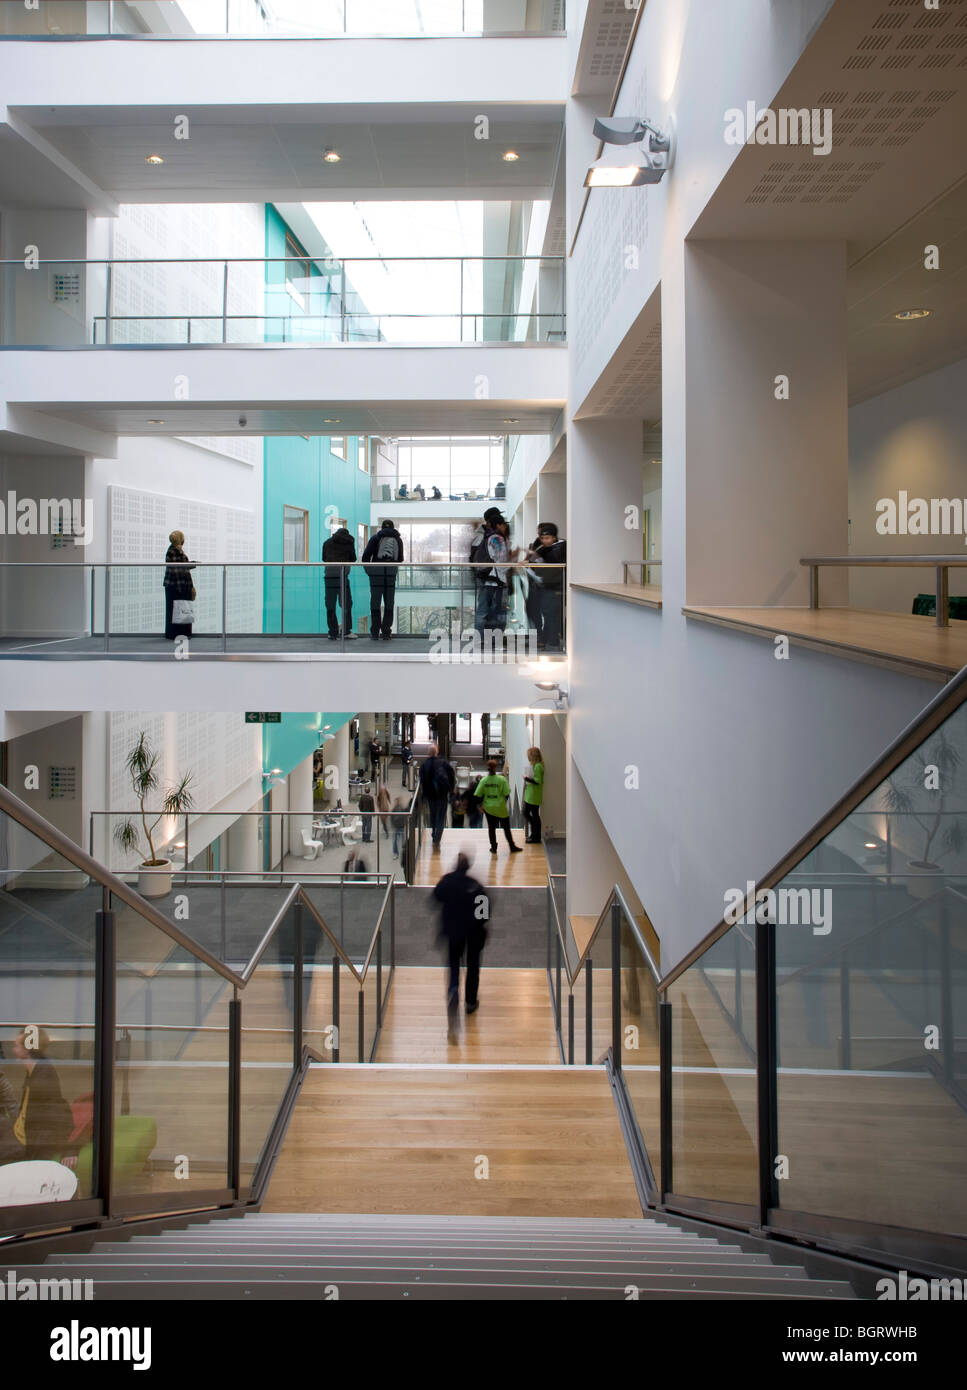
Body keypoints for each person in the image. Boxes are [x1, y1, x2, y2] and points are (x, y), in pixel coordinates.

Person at [433, 852, 491, 1037]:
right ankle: (470, 1002)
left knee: (454, 965)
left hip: (453, 933)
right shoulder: (476, 887)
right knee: (473, 967)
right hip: (473, 935)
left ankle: (453, 991)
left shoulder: (447, 882)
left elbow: (435, 897)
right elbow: (485, 913)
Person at [8, 1028, 74, 1164]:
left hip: (34, 1145)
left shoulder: (42, 1076)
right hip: (26, 1139)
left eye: (17, 1046)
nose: (13, 1050)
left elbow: (57, 1113)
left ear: (27, 1049)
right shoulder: (35, 1071)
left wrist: (68, 1150)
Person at [470, 507, 515, 641]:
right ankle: (495, 640)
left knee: (483, 611)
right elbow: (501, 562)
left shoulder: (486, 536)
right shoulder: (497, 539)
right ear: (499, 524)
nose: (505, 527)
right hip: (496, 581)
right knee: (498, 612)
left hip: (485, 578)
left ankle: (480, 639)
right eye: (503, 524)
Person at [361, 519, 404, 642]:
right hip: (390, 576)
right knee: (389, 604)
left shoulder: (375, 538)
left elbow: (365, 557)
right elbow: (400, 558)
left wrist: (369, 572)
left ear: (381, 527)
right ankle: (386, 632)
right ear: (393, 526)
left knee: (375, 603)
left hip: (376, 576)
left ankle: (375, 632)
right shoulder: (398, 540)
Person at [528, 522, 567, 650]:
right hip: (546, 586)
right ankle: (548, 641)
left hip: (554, 587)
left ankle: (552, 643)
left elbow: (549, 566)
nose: (545, 540)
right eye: (543, 538)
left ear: (554, 537)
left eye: (547, 538)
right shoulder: (543, 548)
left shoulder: (559, 548)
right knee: (548, 614)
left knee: (551, 615)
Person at [474, 759, 521, 855]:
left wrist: (480, 806)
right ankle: (512, 846)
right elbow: (507, 794)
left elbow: (477, 795)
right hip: (500, 808)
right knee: (506, 828)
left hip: (489, 808)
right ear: (495, 768)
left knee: (491, 828)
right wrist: (502, 802)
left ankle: (494, 847)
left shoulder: (484, 780)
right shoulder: (501, 779)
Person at [322, 525, 357, 641]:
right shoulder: (349, 543)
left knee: (330, 604)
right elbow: (353, 559)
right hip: (343, 575)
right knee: (346, 604)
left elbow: (324, 558)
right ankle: (346, 631)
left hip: (329, 576)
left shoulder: (327, 542)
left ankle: (333, 632)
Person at [419, 743, 455, 847]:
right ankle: (437, 837)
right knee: (441, 816)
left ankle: (434, 832)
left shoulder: (424, 764)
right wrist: (451, 789)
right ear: (436, 752)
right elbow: (451, 774)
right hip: (442, 794)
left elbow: (422, 780)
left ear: (428, 753)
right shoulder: (443, 763)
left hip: (430, 795)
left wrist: (424, 794)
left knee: (433, 815)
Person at [163, 529, 196, 640]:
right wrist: (190, 565)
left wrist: (190, 564)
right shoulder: (173, 551)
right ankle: (177, 634)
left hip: (177, 585)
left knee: (177, 610)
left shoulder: (175, 551)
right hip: (177, 586)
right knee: (178, 610)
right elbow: (178, 569)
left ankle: (180, 633)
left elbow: (180, 566)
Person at [523, 746, 545, 844]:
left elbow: (538, 781)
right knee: (529, 814)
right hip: (530, 795)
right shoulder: (536, 765)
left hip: (533, 795)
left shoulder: (538, 766)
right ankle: (535, 834)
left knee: (533, 815)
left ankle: (536, 836)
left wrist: (526, 778)